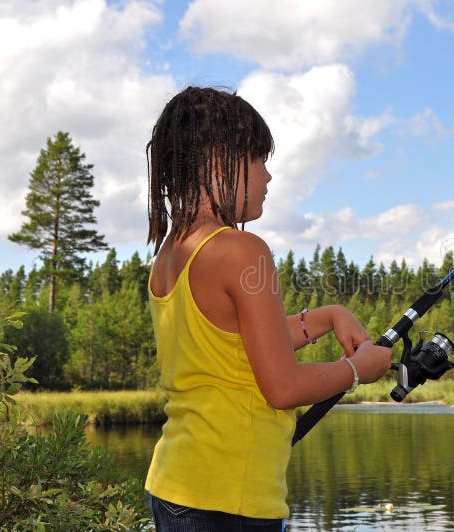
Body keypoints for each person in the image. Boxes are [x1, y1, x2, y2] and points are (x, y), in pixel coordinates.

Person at [144, 86, 393, 531]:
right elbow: (282, 386)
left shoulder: (171, 252)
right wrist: (358, 369)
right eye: (259, 159)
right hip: (227, 503)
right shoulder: (242, 250)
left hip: (175, 485)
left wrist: (329, 315)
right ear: (218, 160)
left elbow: (238, 345)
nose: (268, 176)